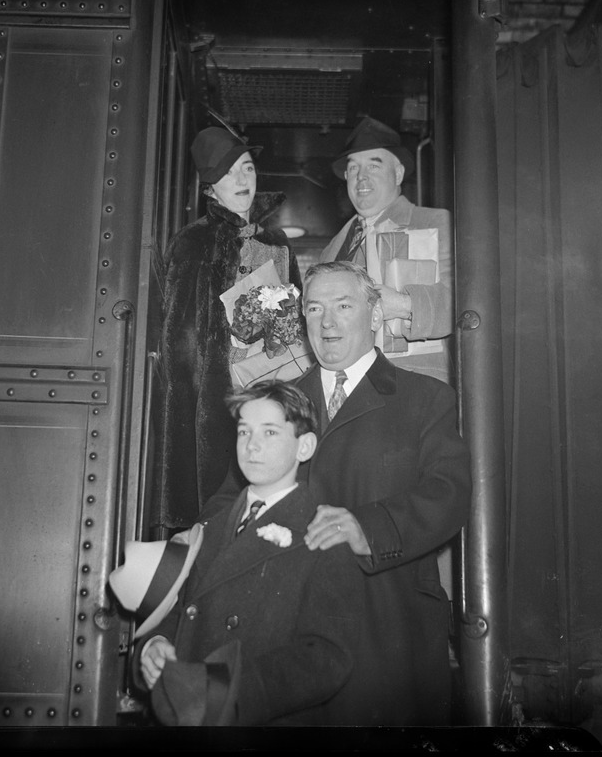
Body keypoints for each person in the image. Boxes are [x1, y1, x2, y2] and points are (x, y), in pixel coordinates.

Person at [295, 260, 472, 726]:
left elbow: (448, 493)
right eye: (314, 309)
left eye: (343, 306)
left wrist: (368, 528)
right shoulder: (279, 402)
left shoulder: (427, 399)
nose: (326, 322)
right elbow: (234, 497)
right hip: (292, 629)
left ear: (375, 316)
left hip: (387, 623)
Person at [132, 380, 363, 726]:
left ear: (305, 446)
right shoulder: (207, 529)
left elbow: (327, 658)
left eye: (270, 433)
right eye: (244, 432)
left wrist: (231, 690)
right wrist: (153, 647)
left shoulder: (321, 534)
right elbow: (169, 609)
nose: (252, 445)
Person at [155, 126, 302, 533]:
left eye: (249, 169)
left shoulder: (277, 241)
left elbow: (294, 330)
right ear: (209, 188)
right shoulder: (192, 242)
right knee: (213, 510)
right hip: (210, 403)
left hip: (269, 390)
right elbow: (178, 340)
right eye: (229, 172)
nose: (243, 180)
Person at [321, 116, 455, 385]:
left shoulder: (435, 223)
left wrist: (405, 304)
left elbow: (467, 305)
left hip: (414, 387)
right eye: (354, 168)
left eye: (374, 164)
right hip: (346, 389)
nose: (362, 176)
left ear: (398, 174)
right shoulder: (331, 250)